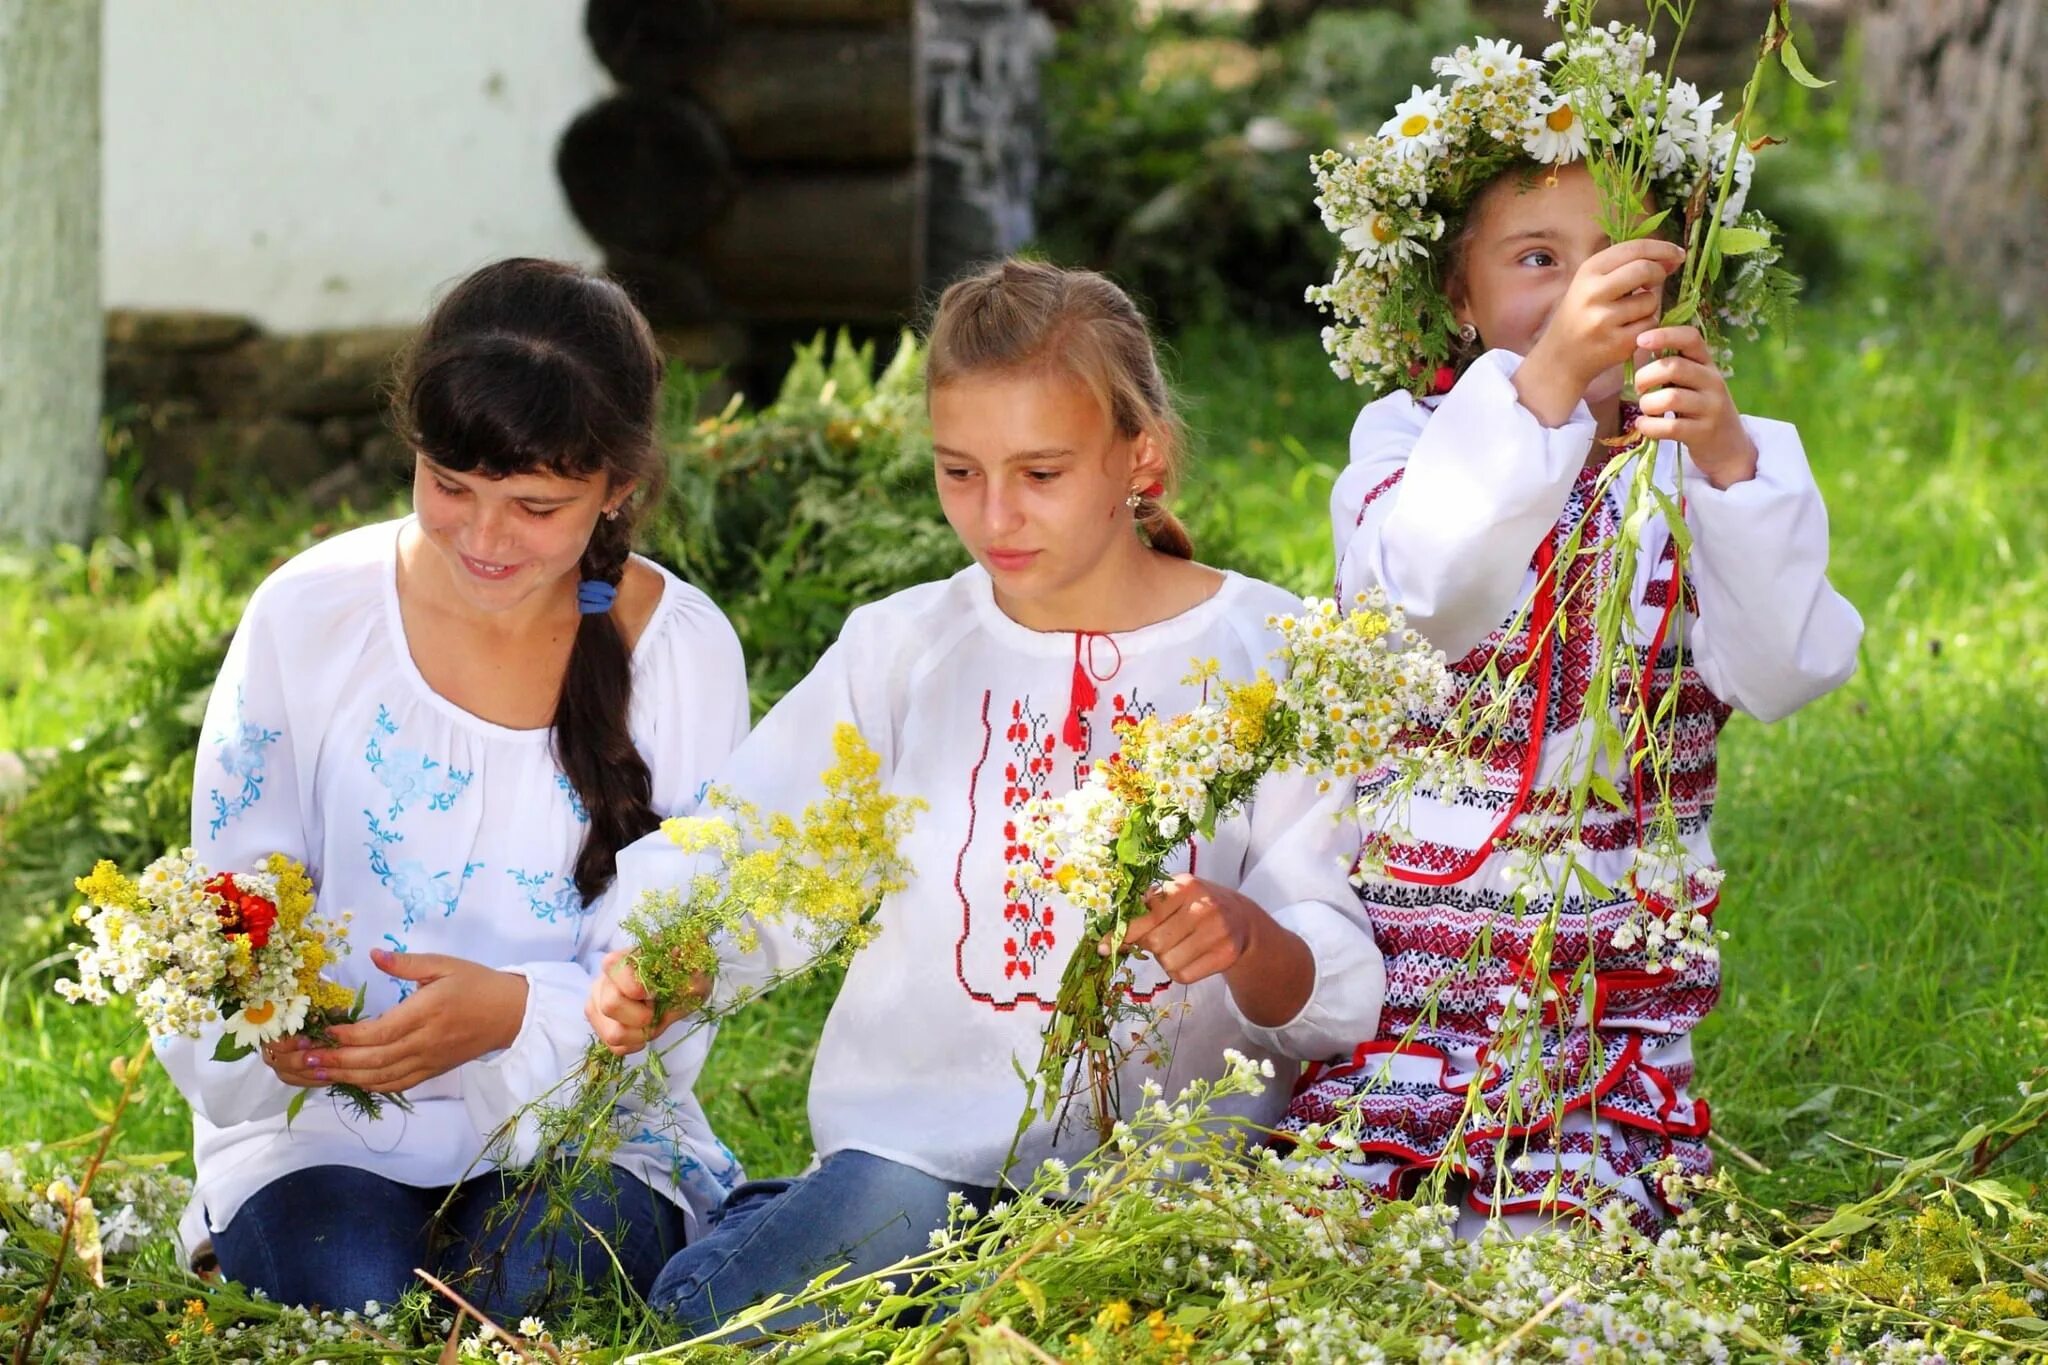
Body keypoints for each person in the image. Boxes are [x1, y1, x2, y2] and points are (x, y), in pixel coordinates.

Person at [588, 257, 1384, 1336]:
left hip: (1168, 1174)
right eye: (957, 471)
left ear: (1137, 455)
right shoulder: (904, 648)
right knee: (713, 1316)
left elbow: (1331, 968)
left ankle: (961, 1296)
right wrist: (667, 956)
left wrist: (1246, 936)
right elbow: (757, 845)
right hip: (917, 1152)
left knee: (1108, 1309)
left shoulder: (1271, 654)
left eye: (1039, 474)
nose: (993, 516)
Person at [1279, 143, 1863, 1233]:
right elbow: (1423, 598)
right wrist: (1540, 383)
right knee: (1343, 1230)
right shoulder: (1403, 450)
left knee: (1546, 1250)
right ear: (1459, 291)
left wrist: (1731, 466)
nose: (1582, 293)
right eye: (1537, 258)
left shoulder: (1704, 467)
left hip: (1602, 989)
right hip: (1414, 966)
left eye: (1615, 260)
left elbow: (1784, 667)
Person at [158, 258, 750, 1315]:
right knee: (354, 1296)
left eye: (534, 506)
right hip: (327, 1120)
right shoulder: (310, 616)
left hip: (586, 1118)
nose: (483, 538)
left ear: (617, 489)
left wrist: (518, 1014)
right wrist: (264, 1023)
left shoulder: (679, 653)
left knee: (530, 1293)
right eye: (451, 487)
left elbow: (680, 950)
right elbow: (232, 892)